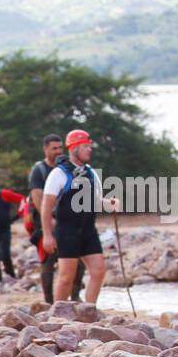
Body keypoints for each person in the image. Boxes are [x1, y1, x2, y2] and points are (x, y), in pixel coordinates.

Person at [39, 129, 116, 305]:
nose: (90, 150)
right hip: (67, 231)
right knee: (67, 277)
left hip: (88, 230)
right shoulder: (58, 174)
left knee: (98, 271)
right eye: (85, 146)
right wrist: (48, 235)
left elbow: (97, 201)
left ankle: (89, 309)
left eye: (89, 146)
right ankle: (57, 314)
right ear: (73, 149)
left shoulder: (91, 173)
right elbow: (46, 206)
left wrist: (108, 203)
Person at [29, 134, 83, 302]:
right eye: (54, 148)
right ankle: (49, 300)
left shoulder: (68, 168)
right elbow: (37, 197)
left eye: (60, 148)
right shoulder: (39, 170)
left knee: (78, 260)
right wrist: (49, 222)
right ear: (45, 149)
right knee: (49, 260)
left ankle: (75, 297)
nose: (58, 151)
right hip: (47, 222)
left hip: (67, 221)